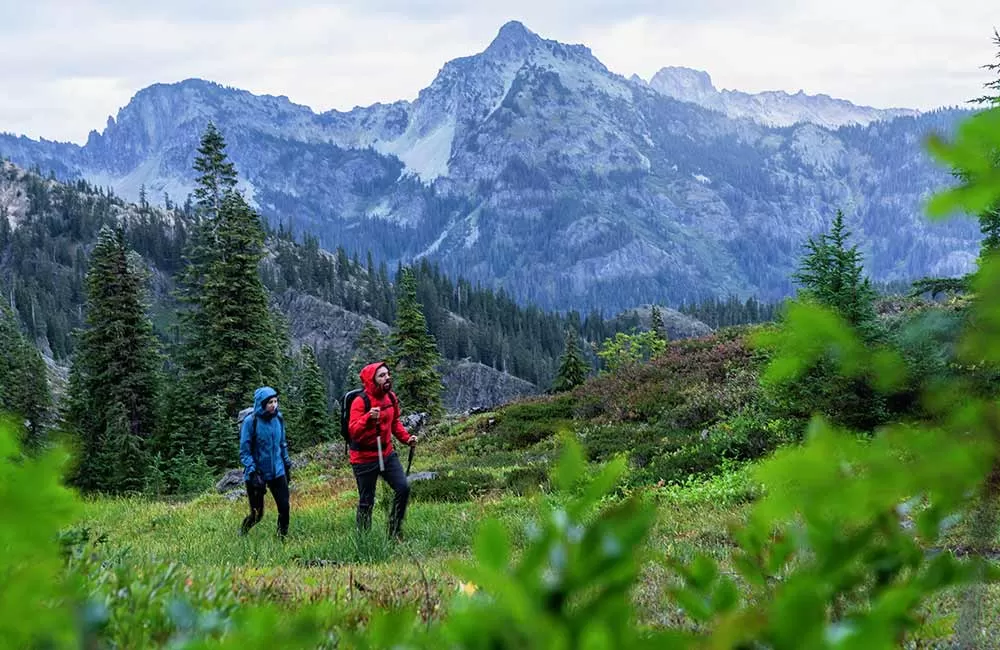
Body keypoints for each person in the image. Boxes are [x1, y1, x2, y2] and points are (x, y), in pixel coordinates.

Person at [348, 362, 418, 539]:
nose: (387, 378)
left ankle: (394, 531)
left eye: (387, 374)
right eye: (381, 376)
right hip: (364, 459)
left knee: (403, 488)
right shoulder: (360, 401)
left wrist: (406, 438)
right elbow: (353, 431)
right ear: (372, 381)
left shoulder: (391, 398)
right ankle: (363, 540)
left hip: (386, 454)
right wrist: (368, 418)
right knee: (367, 501)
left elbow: (394, 423)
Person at [239, 386, 292, 539]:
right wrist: (253, 471)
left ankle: (281, 538)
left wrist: (287, 464)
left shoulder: (278, 419)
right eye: (270, 402)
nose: (274, 405)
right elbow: (244, 450)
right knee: (257, 514)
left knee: (284, 507)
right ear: (262, 404)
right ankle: (242, 533)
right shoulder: (251, 422)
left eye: (275, 401)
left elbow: (282, 444)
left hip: (278, 471)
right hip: (257, 474)